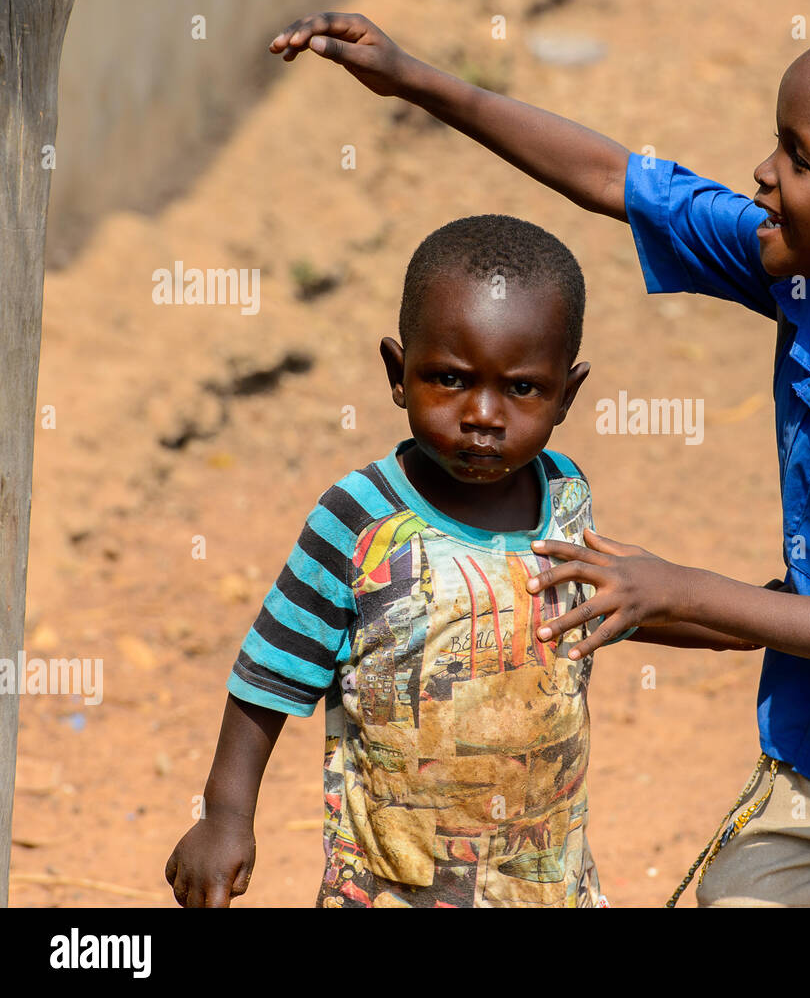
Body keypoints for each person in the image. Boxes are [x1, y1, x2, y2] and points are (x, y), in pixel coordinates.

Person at [261, 15, 810, 907]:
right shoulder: (807, 272)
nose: (763, 174)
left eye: (798, 159)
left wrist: (680, 590)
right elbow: (613, 179)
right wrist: (419, 80)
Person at [164, 214, 734, 907]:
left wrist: (758, 616)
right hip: (391, 888)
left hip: (547, 883)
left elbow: (612, 605)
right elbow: (271, 671)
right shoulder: (359, 520)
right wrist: (225, 815)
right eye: (449, 379)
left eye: (521, 388)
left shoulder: (566, 495)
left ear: (567, 394)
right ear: (397, 374)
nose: (483, 414)